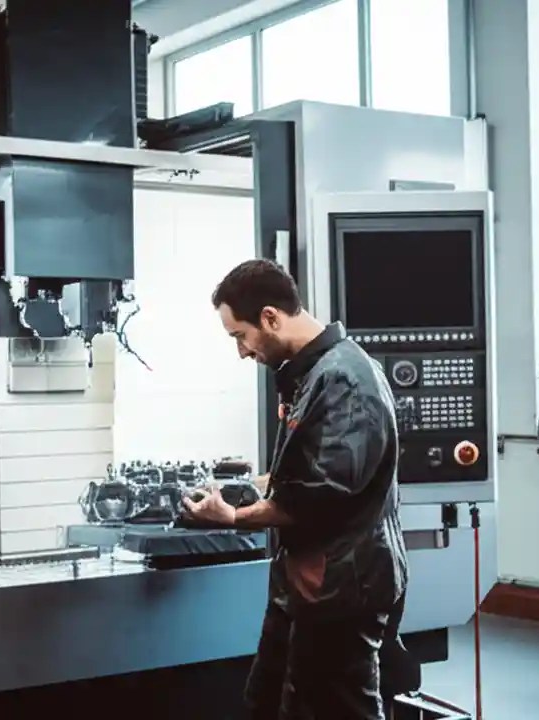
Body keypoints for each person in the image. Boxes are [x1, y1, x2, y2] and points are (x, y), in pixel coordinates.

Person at [182, 258, 410, 720]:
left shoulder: (345, 379)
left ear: (270, 317)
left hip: (342, 589)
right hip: (305, 587)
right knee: (267, 704)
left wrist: (233, 517)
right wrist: (238, 486)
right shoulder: (313, 374)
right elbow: (304, 469)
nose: (241, 352)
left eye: (240, 336)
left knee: (337, 711)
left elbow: (318, 496)